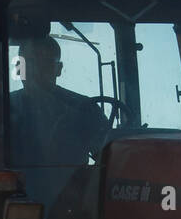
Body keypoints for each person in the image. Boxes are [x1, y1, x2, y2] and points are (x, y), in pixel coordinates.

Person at [9, 36, 111, 166]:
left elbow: (110, 160)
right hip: (15, 186)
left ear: (59, 68)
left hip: (75, 185)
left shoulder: (85, 109)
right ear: (18, 68)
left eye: (45, 64)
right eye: (29, 63)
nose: (36, 71)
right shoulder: (1, 109)